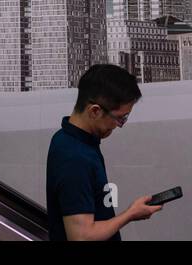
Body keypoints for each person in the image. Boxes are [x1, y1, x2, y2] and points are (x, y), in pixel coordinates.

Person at [46, 64, 163, 241]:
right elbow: (81, 236)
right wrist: (130, 214)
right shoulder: (74, 157)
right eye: (119, 118)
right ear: (95, 111)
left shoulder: (69, 140)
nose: (119, 125)